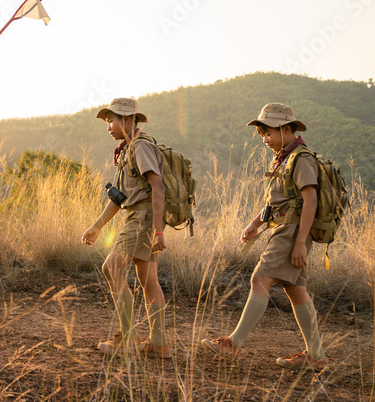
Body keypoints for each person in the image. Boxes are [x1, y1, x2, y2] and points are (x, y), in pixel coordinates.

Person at [202, 103, 328, 371]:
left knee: (260, 279)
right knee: (296, 290)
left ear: (285, 129)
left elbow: (311, 201)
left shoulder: (302, 159)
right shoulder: (285, 157)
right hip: (283, 230)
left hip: (292, 232)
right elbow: (277, 202)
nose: (264, 139)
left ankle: (233, 343)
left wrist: (300, 244)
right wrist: (255, 224)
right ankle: (316, 356)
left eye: (267, 132)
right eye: (261, 133)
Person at [81, 97, 171, 358]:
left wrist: (158, 230)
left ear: (129, 120)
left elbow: (157, 186)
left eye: (112, 120)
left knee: (111, 267)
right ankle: (159, 343)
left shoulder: (140, 147)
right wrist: (97, 226)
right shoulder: (129, 149)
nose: (108, 125)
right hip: (139, 216)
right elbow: (119, 198)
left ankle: (128, 338)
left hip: (142, 219)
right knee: (148, 280)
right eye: (107, 121)